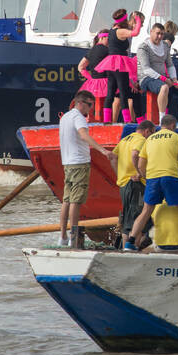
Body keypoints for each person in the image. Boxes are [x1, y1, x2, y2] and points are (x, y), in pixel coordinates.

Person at [127, 114, 178, 252]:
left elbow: (140, 164)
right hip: (171, 177)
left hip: (153, 178)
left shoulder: (149, 139)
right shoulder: (176, 137)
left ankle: (130, 243)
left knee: (146, 211)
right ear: (173, 126)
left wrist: (146, 177)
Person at [58, 90, 113, 248]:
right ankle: (74, 238)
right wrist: (103, 151)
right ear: (80, 103)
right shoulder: (78, 118)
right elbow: (83, 135)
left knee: (67, 200)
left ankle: (62, 237)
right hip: (79, 163)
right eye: (89, 105)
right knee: (76, 200)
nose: (90, 109)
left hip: (67, 163)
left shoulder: (66, 117)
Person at [136, 21, 178, 124]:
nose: (159, 36)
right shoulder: (143, 47)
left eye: (161, 34)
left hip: (162, 78)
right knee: (164, 87)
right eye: (157, 33)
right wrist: (164, 79)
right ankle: (162, 119)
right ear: (151, 32)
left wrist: (174, 79)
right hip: (146, 78)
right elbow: (146, 69)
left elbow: (170, 64)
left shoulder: (165, 46)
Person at [112, 118, 153, 249]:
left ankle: (127, 249)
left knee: (127, 220)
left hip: (124, 184)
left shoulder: (124, 139)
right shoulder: (140, 140)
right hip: (136, 185)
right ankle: (130, 250)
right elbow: (135, 154)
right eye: (151, 135)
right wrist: (139, 172)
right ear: (147, 131)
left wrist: (120, 175)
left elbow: (112, 157)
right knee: (137, 220)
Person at [102, 10, 144, 123]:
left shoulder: (111, 31)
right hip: (120, 63)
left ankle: (106, 121)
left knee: (110, 92)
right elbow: (135, 32)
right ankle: (127, 121)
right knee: (123, 92)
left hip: (111, 63)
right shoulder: (121, 31)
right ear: (125, 20)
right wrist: (138, 20)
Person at [77, 30, 112, 121]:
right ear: (102, 38)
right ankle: (108, 123)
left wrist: (91, 78)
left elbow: (80, 67)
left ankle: (93, 122)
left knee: (93, 106)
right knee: (110, 103)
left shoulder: (91, 50)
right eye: (109, 39)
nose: (110, 41)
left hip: (93, 82)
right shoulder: (107, 50)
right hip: (106, 81)